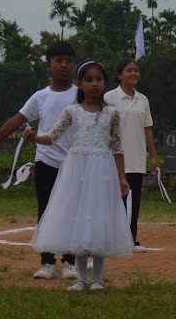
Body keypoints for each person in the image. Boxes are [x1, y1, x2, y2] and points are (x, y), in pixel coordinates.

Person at [24, 61, 133, 291]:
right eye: (89, 80)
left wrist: (122, 177)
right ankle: (81, 278)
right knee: (80, 220)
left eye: (99, 79)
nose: (94, 84)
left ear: (105, 83)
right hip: (77, 171)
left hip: (102, 171)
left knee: (99, 220)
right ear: (79, 84)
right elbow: (52, 136)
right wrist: (34, 137)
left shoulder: (112, 113)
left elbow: (117, 147)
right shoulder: (71, 112)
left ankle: (98, 279)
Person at [0, 41, 78, 281]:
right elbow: (15, 121)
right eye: (58, 61)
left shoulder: (81, 94)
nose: (64, 65)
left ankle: (70, 262)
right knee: (45, 211)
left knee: (73, 212)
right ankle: (46, 262)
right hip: (46, 162)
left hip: (75, 163)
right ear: (48, 66)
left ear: (74, 65)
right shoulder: (40, 97)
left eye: (68, 61)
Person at [104, 59, 158, 251]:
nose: (134, 73)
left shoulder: (143, 100)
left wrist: (153, 157)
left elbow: (147, 130)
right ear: (119, 75)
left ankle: (130, 239)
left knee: (133, 202)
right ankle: (111, 239)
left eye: (136, 70)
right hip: (113, 159)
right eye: (129, 70)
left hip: (136, 159)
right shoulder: (109, 98)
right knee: (113, 201)